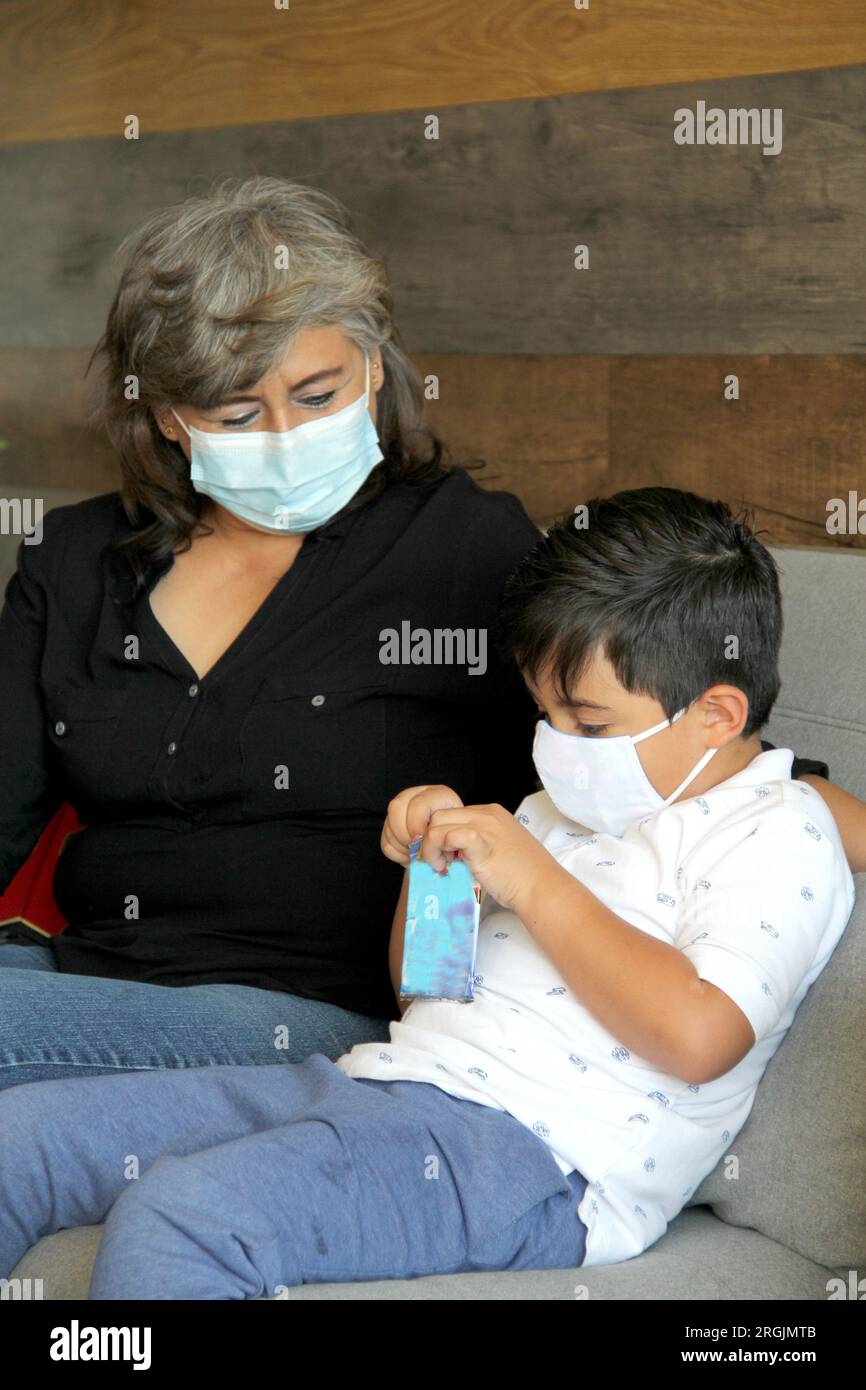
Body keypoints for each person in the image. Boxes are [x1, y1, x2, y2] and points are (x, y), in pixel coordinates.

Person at [1, 487, 858, 1293]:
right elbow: (424, 989)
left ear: (717, 714)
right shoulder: (562, 807)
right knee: (21, 1145)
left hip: (532, 1160)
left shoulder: (778, 831)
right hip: (382, 1082)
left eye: (588, 724)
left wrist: (534, 879)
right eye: (545, 715)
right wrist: (432, 878)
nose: (558, 745)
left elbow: (703, 1035)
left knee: (185, 1220)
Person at [0, 175, 542, 1089]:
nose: (286, 436)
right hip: (83, 981)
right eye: (237, 416)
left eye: (319, 392)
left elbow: (633, 740)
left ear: (374, 367)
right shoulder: (77, 560)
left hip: (315, 1014)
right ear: (169, 418)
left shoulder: (464, 546)